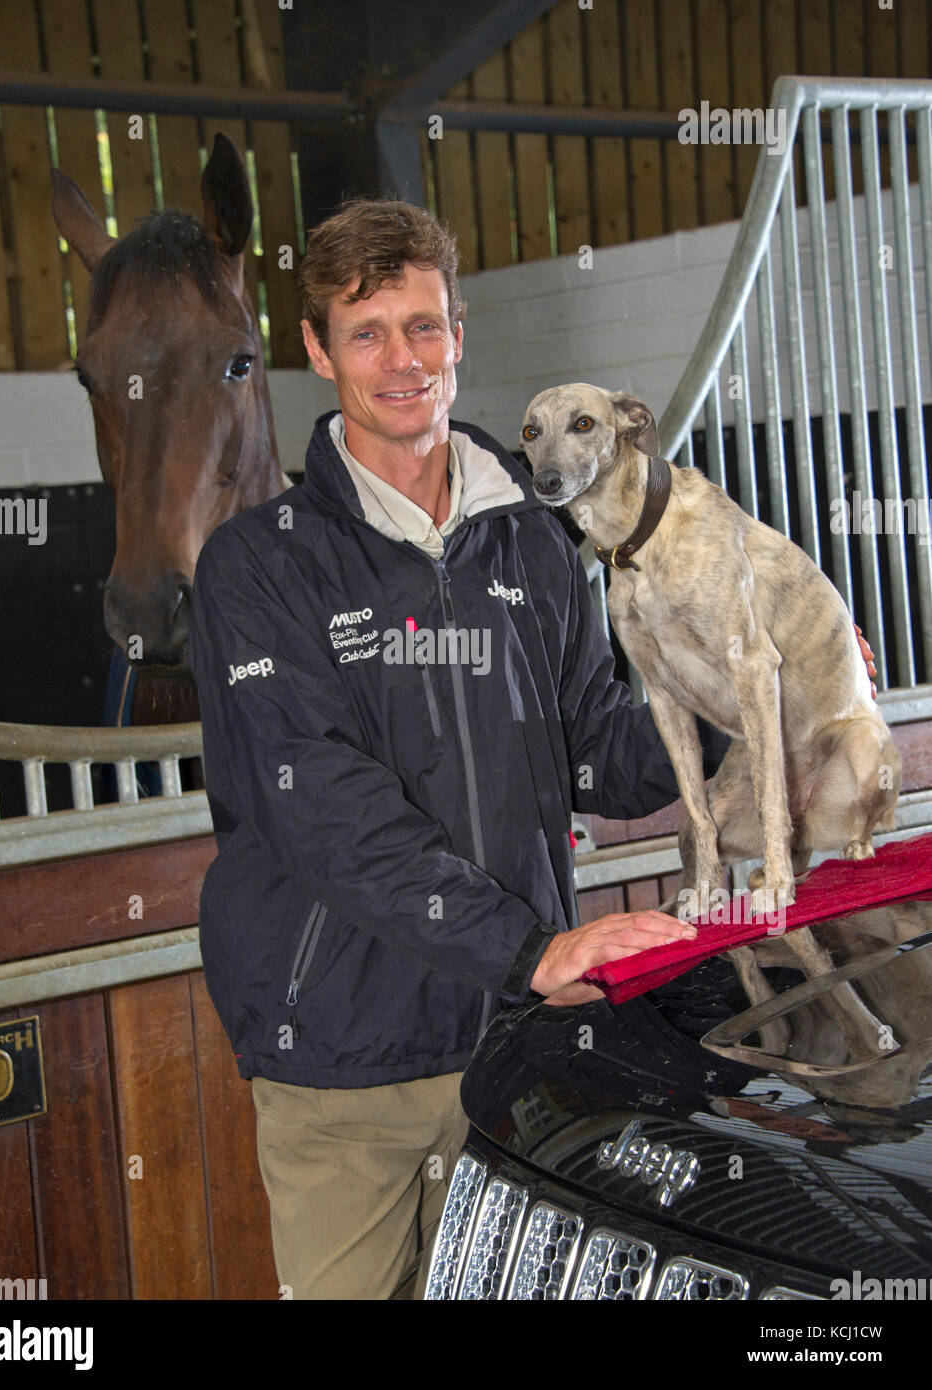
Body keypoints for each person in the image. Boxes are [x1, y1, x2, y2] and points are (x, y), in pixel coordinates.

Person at [185, 198, 848, 1301]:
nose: (404, 361)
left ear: (460, 333)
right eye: (367, 332)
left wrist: (758, 700)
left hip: (523, 1052)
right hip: (348, 1060)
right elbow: (324, 812)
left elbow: (598, 747)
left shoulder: (536, 535)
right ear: (315, 350)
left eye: (426, 326)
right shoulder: (260, 568)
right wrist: (533, 948)